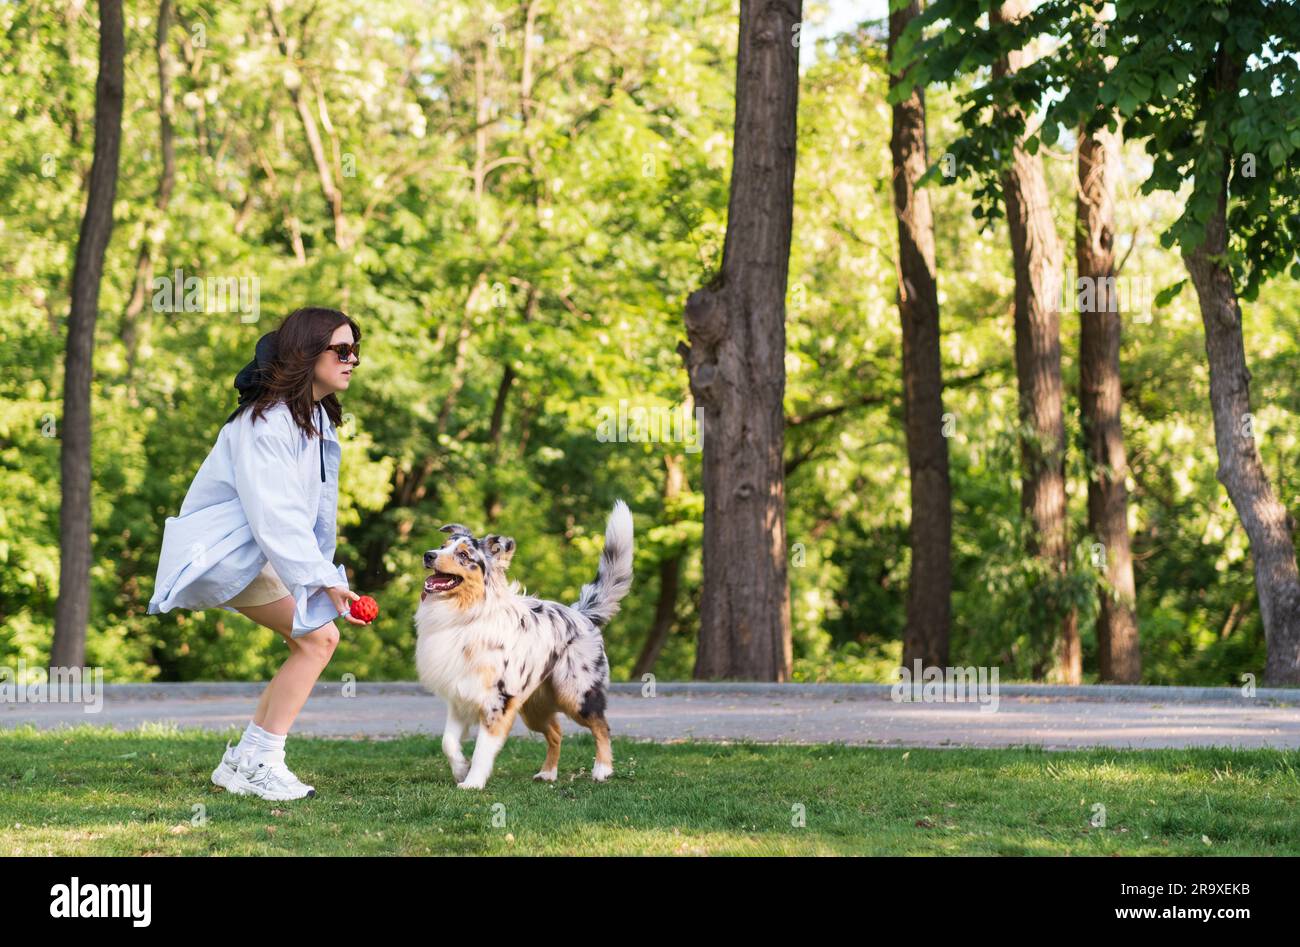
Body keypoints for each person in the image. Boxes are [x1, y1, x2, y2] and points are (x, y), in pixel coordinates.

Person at [147, 307, 368, 800]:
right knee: (318, 640)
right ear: (307, 353)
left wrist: (321, 576)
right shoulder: (266, 421)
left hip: (260, 552)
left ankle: (244, 761)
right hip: (230, 553)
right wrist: (322, 579)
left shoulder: (308, 418)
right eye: (341, 350)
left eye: (356, 349)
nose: (352, 359)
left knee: (311, 640)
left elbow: (301, 516)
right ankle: (262, 761)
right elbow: (275, 515)